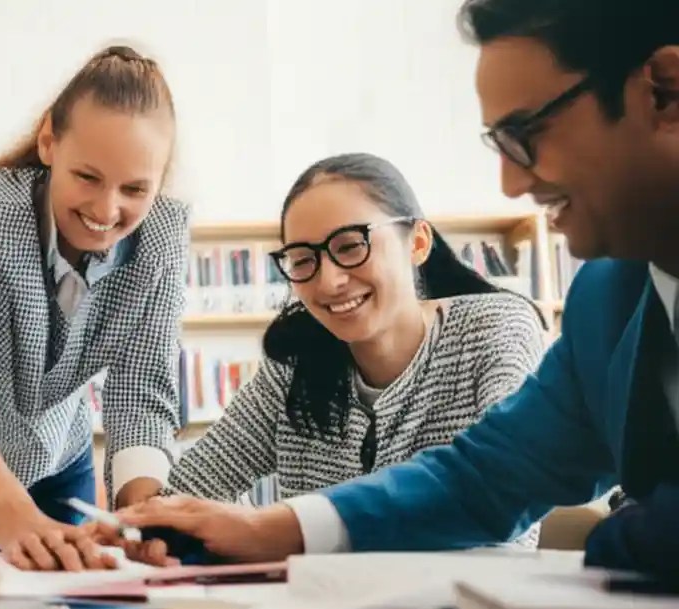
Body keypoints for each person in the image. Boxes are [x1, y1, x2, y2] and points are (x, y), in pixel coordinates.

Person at [112, 0, 679, 582]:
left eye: (527, 133)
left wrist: (633, 536)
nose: (510, 183)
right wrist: (254, 529)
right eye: (303, 260)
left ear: (663, 92)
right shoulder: (605, 303)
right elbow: (486, 479)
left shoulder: (502, 325)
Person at [115, 153, 548, 558]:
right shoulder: (294, 367)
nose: (329, 280)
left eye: (350, 246)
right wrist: (138, 528)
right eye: (303, 259)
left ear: (417, 242)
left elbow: (509, 500)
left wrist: (273, 529)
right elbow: (190, 487)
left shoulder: (496, 327)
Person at [0, 45, 190, 571]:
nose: (107, 210)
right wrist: (11, 510)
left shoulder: (163, 237)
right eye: (87, 177)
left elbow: (143, 391)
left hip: (61, 462)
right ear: (48, 142)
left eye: (134, 188)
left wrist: (143, 512)